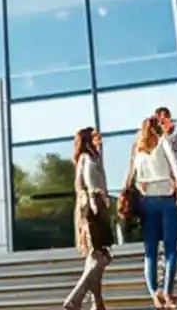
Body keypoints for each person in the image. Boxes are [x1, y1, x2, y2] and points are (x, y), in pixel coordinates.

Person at [126, 116, 177, 309]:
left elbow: (135, 180)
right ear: (157, 127)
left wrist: (143, 188)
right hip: (166, 200)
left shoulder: (138, 150)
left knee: (150, 251)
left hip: (148, 202)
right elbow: (175, 168)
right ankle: (167, 292)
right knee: (170, 250)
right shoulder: (163, 142)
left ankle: (154, 293)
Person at [64, 127, 113, 310]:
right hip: (92, 210)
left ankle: (97, 304)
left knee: (95, 259)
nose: (99, 137)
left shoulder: (95, 157)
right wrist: (97, 206)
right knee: (99, 257)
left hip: (96, 208)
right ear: (87, 140)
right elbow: (91, 185)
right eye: (95, 136)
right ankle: (74, 299)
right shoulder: (87, 159)